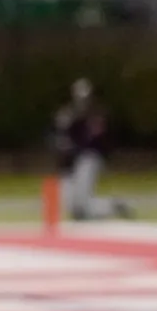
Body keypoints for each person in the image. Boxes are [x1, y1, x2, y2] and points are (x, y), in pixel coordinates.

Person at [52, 78, 132, 221]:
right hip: (69, 163)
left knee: (82, 205)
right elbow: (60, 138)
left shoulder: (96, 115)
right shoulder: (67, 114)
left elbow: (98, 142)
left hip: (88, 159)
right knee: (73, 208)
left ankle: (112, 208)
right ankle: (113, 206)